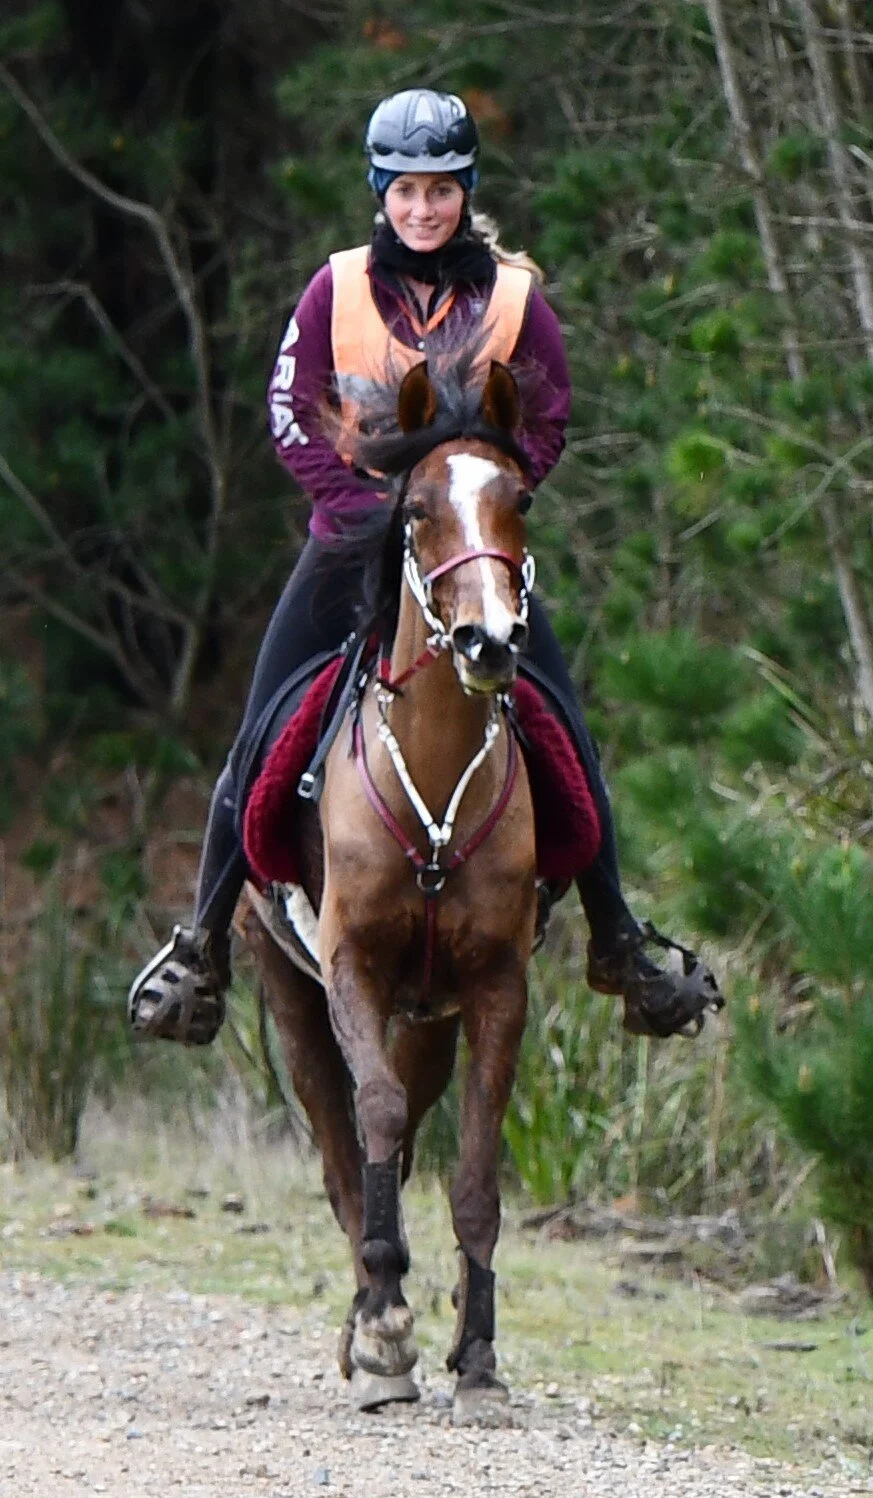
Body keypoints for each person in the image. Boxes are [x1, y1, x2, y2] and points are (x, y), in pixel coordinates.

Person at [127, 88, 723, 1047]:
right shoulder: (335, 288)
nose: (423, 209)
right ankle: (200, 945)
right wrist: (371, 509)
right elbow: (290, 413)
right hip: (347, 544)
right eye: (406, 191)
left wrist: (480, 498)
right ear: (381, 193)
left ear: (463, 191)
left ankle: (618, 943)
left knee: (564, 726)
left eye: (440, 191)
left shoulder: (515, 298)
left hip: (467, 548)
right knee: (260, 726)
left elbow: (552, 416)